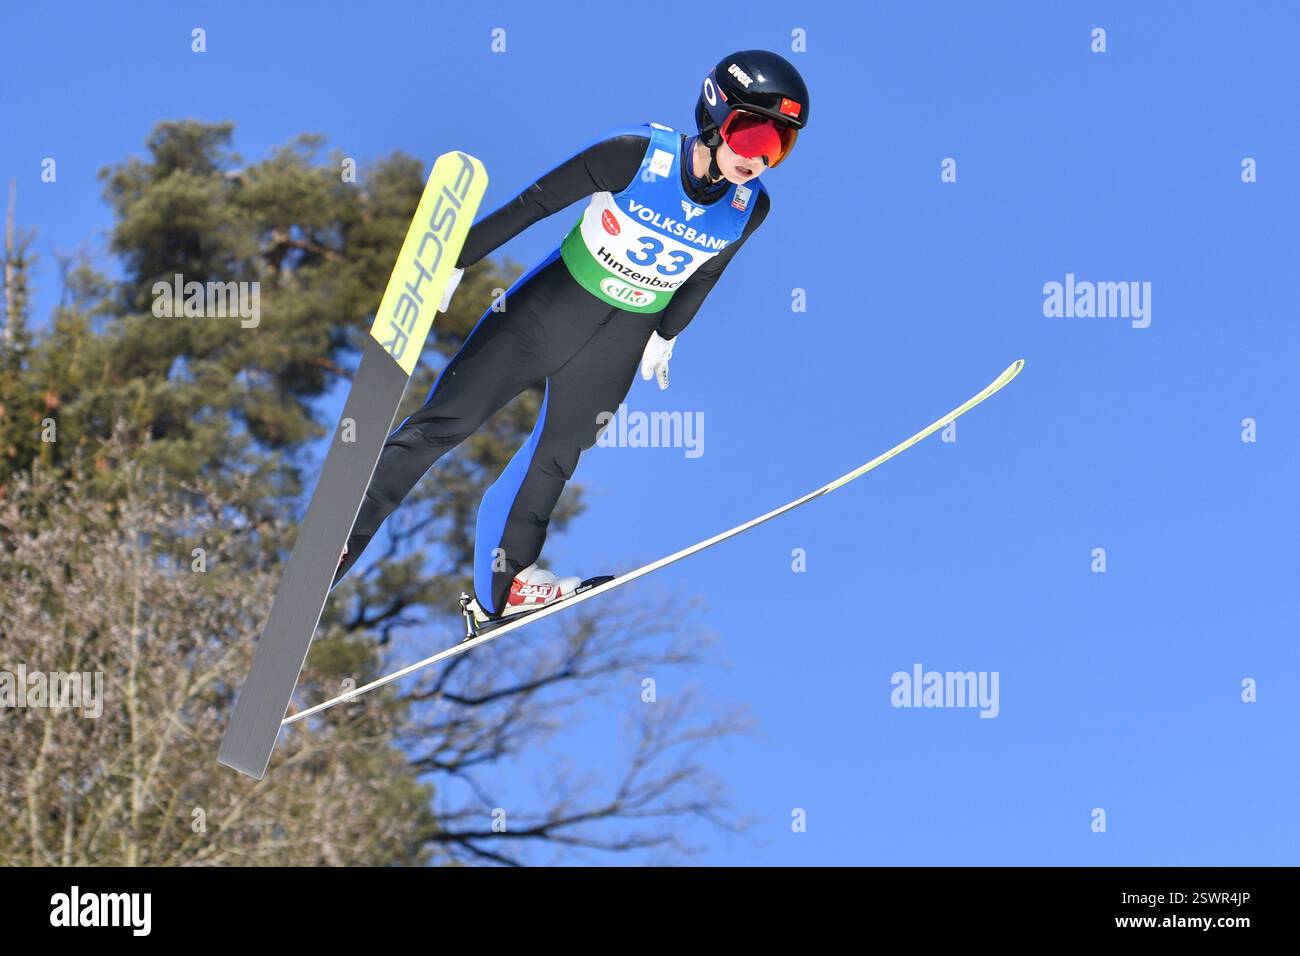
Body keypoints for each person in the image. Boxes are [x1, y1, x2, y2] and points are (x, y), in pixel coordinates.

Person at [335, 50, 810, 624]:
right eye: (751, 132)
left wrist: (667, 334)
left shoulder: (749, 208)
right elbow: (535, 203)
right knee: (447, 424)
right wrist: (457, 260)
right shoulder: (636, 154)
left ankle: (502, 589)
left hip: (619, 345)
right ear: (714, 115)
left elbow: (706, 272)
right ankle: (343, 535)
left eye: (778, 146)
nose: (757, 157)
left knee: (556, 459)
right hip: (544, 316)